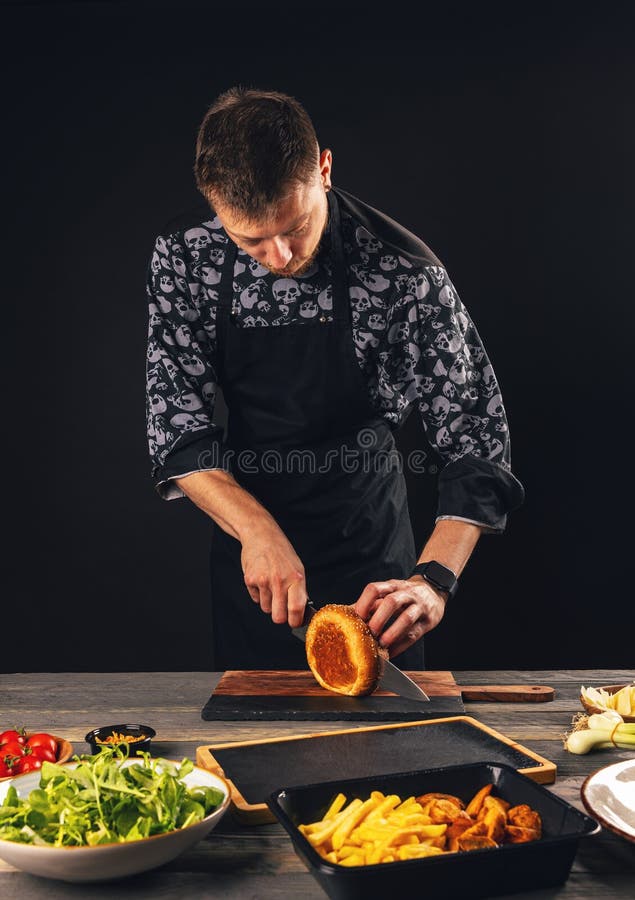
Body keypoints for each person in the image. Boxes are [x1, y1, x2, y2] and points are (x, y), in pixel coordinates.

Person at [145, 86, 524, 671]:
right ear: (214, 204)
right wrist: (256, 530)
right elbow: (176, 428)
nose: (279, 257)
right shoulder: (186, 256)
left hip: (372, 561)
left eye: (295, 226)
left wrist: (433, 581)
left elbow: (476, 440)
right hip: (254, 558)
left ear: (323, 169)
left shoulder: (405, 272)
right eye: (250, 240)